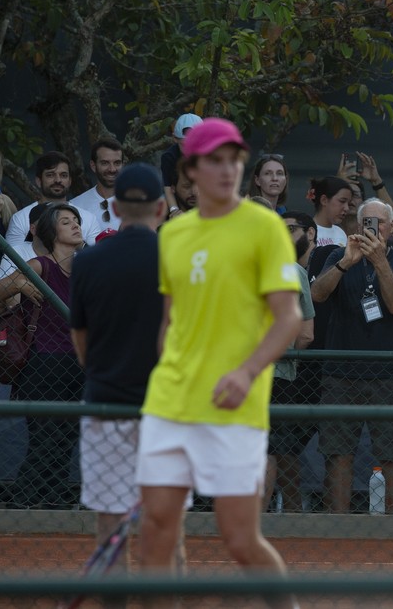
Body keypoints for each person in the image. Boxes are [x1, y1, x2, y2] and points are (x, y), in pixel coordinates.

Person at [136, 118, 302, 609]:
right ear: (191, 169)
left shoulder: (264, 226)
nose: (228, 169)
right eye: (215, 160)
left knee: (240, 540)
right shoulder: (172, 234)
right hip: (171, 401)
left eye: (235, 159)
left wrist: (246, 372)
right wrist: (161, 375)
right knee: (157, 529)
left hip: (236, 407)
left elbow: (288, 317)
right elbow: (170, 322)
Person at [69, 164, 169, 585]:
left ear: (112, 207)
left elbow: (82, 345)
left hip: (106, 401)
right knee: (164, 530)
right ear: (162, 208)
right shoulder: (178, 259)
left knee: (110, 525)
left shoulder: (88, 260)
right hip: (166, 409)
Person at [311, 198, 393, 514]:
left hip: (386, 373)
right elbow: (317, 295)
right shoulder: (335, 254)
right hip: (341, 371)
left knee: (389, 454)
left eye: (380, 223)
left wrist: (380, 261)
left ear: (392, 227)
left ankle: (390, 525)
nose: (374, 228)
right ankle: (338, 527)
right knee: (338, 453)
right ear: (356, 226)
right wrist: (345, 262)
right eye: (367, 222)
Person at [0, 203, 86, 508]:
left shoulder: (85, 270)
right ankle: (23, 501)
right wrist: (18, 282)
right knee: (45, 437)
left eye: (76, 221)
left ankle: (54, 501)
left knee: (67, 436)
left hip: (78, 363)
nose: (75, 225)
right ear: (52, 232)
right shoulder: (41, 265)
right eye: (66, 222)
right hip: (44, 361)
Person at [263, 211, 316, 513]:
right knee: (273, 450)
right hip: (280, 375)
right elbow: (306, 335)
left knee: (258, 449)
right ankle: (278, 517)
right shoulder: (293, 271)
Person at [6, 151, 104, 250]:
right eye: (50, 175)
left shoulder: (89, 219)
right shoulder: (20, 218)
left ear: (70, 181)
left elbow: (96, 259)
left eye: (63, 175)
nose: (58, 180)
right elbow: (11, 260)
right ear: (39, 181)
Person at [70, 137, 124, 231]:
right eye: (105, 163)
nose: (112, 169)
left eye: (117, 163)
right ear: (93, 166)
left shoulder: (138, 204)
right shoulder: (75, 206)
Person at [160, 112, 202, 218]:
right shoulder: (169, 157)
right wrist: (174, 210)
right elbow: (168, 186)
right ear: (175, 138)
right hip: (178, 197)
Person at [307, 175, 352, 248]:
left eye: (349, 203)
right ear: (324, 200)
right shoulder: (306, 232)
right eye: (342, 201)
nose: (347, 208)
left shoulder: (340, 232)